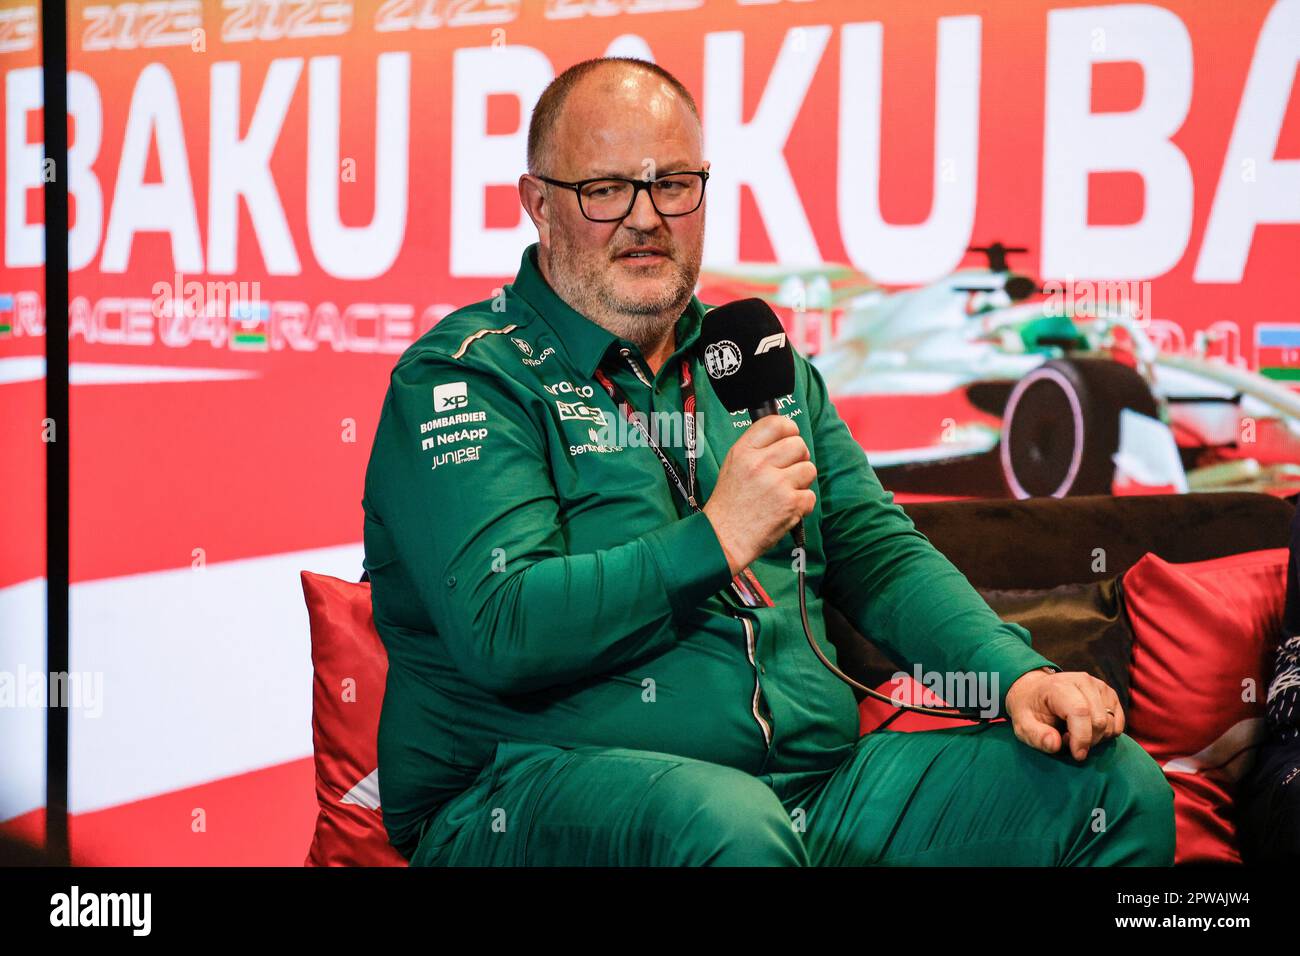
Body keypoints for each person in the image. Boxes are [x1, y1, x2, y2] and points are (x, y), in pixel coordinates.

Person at [361, 56, 1175, 866]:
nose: (645, 219)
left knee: (1112, 791)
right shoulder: (467, 376)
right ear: (538, 203)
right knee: (729, 826)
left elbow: (875, 554)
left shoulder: (751, 356)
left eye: (674, 184)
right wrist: (715, 538)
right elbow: (502, 625)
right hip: (520, 793)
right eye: (606, 189)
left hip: (812, 787)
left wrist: (1014, 677)